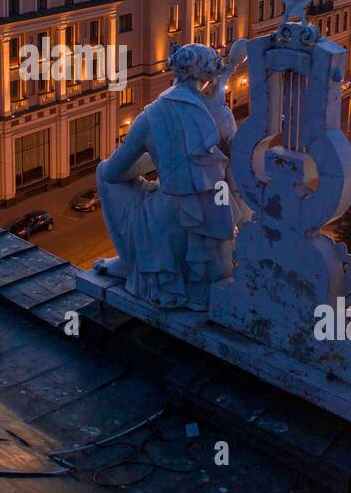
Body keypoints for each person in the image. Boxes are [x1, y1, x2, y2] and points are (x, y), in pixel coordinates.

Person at [94, 42, 246, 310]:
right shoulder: (221, 115)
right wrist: (242, 222)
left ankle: (131, 261)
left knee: (102, 170)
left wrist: (158, 156)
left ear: (174, 69)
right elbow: (236, 174)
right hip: (215, 221)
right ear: (209, 75)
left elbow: (114, 173)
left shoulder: (152, 115)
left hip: (169, 215)